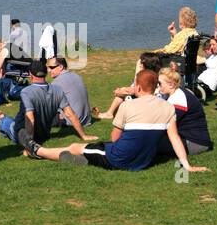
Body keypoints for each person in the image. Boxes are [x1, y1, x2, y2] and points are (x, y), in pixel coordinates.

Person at [38, 69, 208, 173]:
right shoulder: (167, 107)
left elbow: (114, 138)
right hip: (144, 161)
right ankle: (84, 159)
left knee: (76, 147)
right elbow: (174, 138)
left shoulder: (128, 106)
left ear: (138, 88)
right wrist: (187, 166)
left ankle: (38, 151)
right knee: (90, 154)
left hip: (119, 159)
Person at [0, 58, 95, 156]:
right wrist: (83, 135)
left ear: (31, 75)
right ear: (45, 74)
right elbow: (70, 114)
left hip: (21, 132)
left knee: (6, 124)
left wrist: (29, 145)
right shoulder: (57, 90)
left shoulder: (26, 92)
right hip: (44, 134)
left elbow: (31, 120)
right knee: (12, 121)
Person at [156, 69, 213, 158]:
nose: (158, 87)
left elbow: (164, 123)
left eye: (160, 84)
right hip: (191, 139)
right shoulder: (177, 93)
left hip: (195, 142)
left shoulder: (178, 98)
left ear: (171, 84)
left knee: (149, 143)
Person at [47, 56, 91, 128]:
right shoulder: (77, 76)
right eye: (48, 67)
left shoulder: (56, 82)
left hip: (71, 121)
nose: (48, 70)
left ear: (61, 67)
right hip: (86, 120)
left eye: (51, 67)